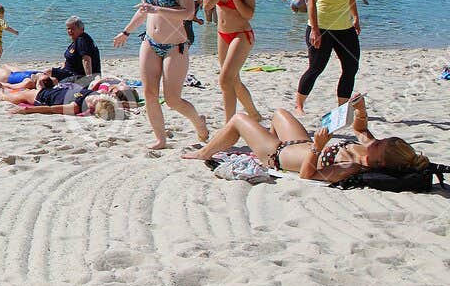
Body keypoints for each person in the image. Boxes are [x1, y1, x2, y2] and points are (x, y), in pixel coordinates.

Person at [184, 95, 431, 182]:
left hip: (277, 155)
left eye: (380, 145)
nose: (376, 141)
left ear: (381, 162)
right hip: (298, 142)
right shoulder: (368, 149)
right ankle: (257, 143)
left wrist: (319, 148)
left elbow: (307, 175)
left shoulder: (351, 167)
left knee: (238, 119)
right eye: (382, 140)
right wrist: (360, 109)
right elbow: (362, 131)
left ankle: (204, 153)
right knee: (280, 113)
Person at [114, 0, 210, 149]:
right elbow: (143, 10)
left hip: (175, 46)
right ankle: (160, 139)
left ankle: (198, 122)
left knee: (173, 99)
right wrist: (126, 32)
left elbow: (188, 13)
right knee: (149, 93)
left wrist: (157, 10)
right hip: (149, 42)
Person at [296, 0, 363, 116]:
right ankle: (299, 106)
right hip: (322, 27)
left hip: (345, 28)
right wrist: (315, 30)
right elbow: (311, 1)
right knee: (316, 68)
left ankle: (342, 107)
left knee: (351, 67)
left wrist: (356, 17)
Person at [201, 0, 259, 122]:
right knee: (233, 81)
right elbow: (207, 5)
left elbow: (249, 14)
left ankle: (229, 124)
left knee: (225, 79)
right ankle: (254, 114)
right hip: (222, 34)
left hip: (241, 34)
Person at [0, 72, 135, 119]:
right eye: (98, 97)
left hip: (42, 97)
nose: (95, 97)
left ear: (92, 107)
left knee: (13, 97)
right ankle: (7, 86)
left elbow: (52, 109)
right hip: (55, 89)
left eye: (94, 101)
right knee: (39, 80)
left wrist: (26, 110)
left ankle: (1, 93)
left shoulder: (75, 107)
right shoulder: (97, 95)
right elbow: (119, 103)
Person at [49, 16, 101, 80]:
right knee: (44, 74)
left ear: (81, 29)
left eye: (72, 29)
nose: (70, 31)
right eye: (68, 29)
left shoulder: (82, 40)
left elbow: (86, 60)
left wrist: (89, 78)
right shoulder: (77, 39)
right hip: (70, 71)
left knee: (47, 73)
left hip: (76, 75)